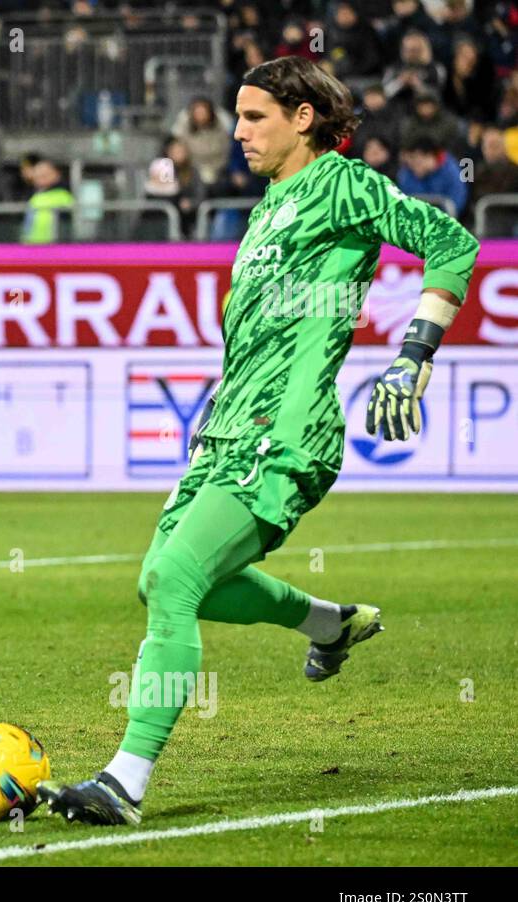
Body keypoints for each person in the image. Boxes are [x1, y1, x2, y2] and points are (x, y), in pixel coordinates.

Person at [38, 56, 479, 826]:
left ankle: (124, 780)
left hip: (288, 431)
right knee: (164, 582)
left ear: (303, 118)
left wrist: (413, 355)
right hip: (226, 431)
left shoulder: (345, 183)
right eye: (236, 118)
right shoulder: (266, 206)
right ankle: (330, 624)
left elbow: (450, 245)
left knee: (176, 579)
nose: (237, 132)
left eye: (253, 117)